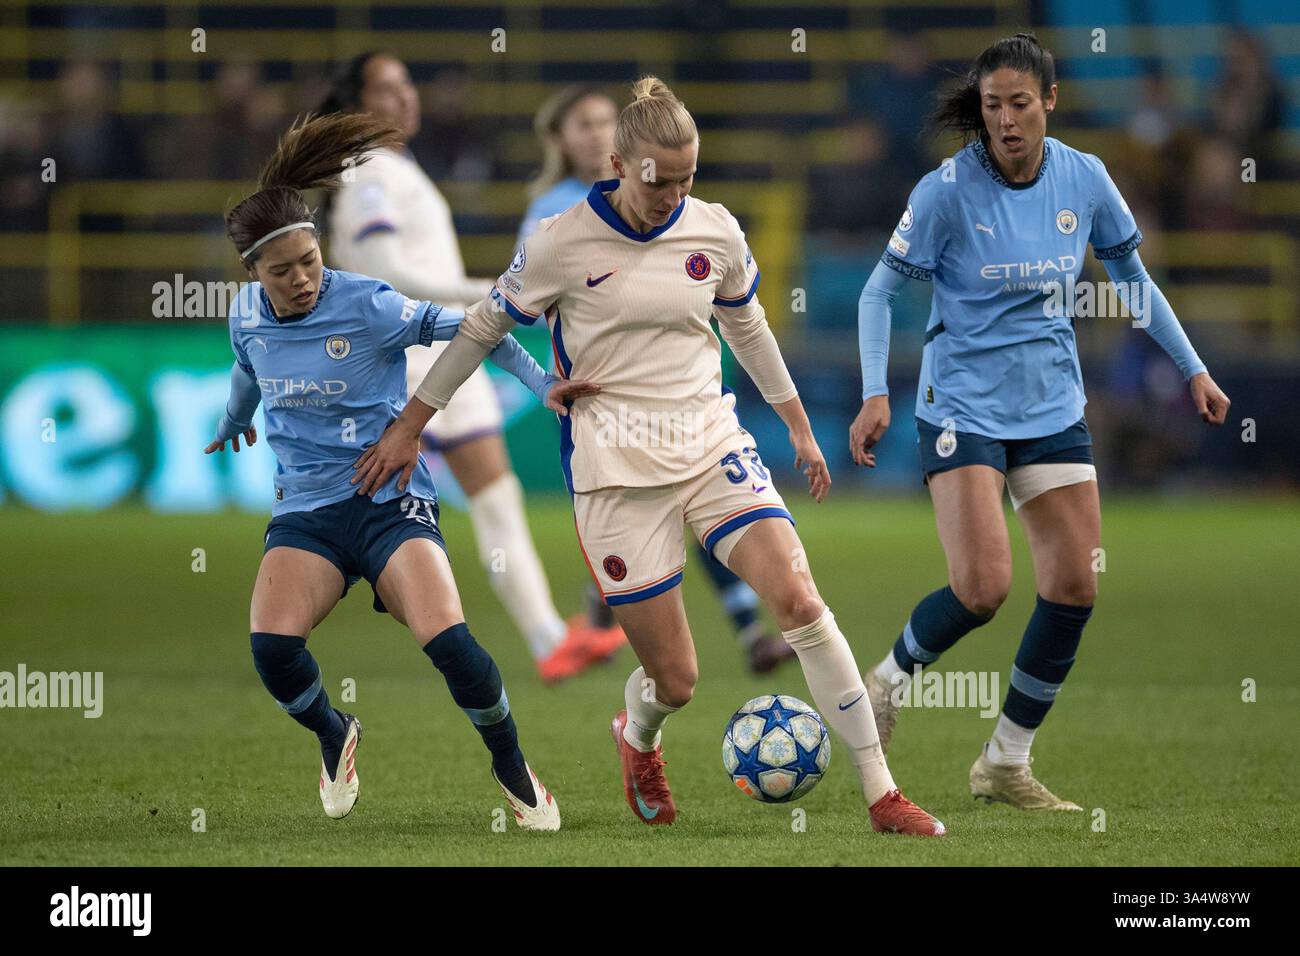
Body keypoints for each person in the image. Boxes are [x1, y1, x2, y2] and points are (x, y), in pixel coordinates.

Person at [355, 77, 946, 836]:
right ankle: (639, 737)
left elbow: (749, 330)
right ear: (618, 162)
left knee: (799, 599)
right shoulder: (562, 241)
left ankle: (881, 793)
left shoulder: (715, 232)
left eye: (687, 178)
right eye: (657, 179)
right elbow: (478, 329)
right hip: (614, 474)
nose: (672, 193)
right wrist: (410, 425)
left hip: (709, 445)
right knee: (676, 679)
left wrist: (797, 426)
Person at [849, 34, 1231, 810]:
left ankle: (1005, 763)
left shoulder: (1084, 179)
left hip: (1052, 405)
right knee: (985, 587)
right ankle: (885, 684)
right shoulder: (945, 191)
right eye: (993, 107)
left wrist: (1192, 367)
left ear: (1049, 101)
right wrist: (873, 391)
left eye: (1020, 104)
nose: (1007, 120)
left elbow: (1133, 278)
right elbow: (876, 294)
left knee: (1073, 586)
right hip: (962, 405)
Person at [209, 112, 593, 829]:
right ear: (252, 273)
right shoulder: (245, 316)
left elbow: (482, 324)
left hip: (390, 502)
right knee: (273, 651)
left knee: (452, 647)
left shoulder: (370, 303)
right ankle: (334, 732)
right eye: (281, 269)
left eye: (308, 261)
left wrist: (542, 387)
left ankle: (513, 769)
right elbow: (244, 369)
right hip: (308, 514)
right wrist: (234, 419)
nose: (300, 279)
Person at [320, 52, 624, 684]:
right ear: (358, 104)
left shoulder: (396, 168)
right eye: (386, 89)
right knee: (358, 506)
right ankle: (291, 623)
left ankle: (547, 640)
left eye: (408, 83)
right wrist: (478, 290)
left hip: (440, 348)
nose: (405, 97)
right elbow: (382, 273)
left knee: (495, 496)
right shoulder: (368, 172)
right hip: (396, 353)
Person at [521, 82, 796, 674]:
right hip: (604, 406)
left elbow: (742, 321)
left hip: (681, 400)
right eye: (582, 125)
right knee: (657, 523)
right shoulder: (553, 218)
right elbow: (506, 311)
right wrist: (540, 379)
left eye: (603, 121)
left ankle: (742, 631)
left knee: (702, 511)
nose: (594, 133)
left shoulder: (668, 198)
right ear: (562, 139)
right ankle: (606, 616)